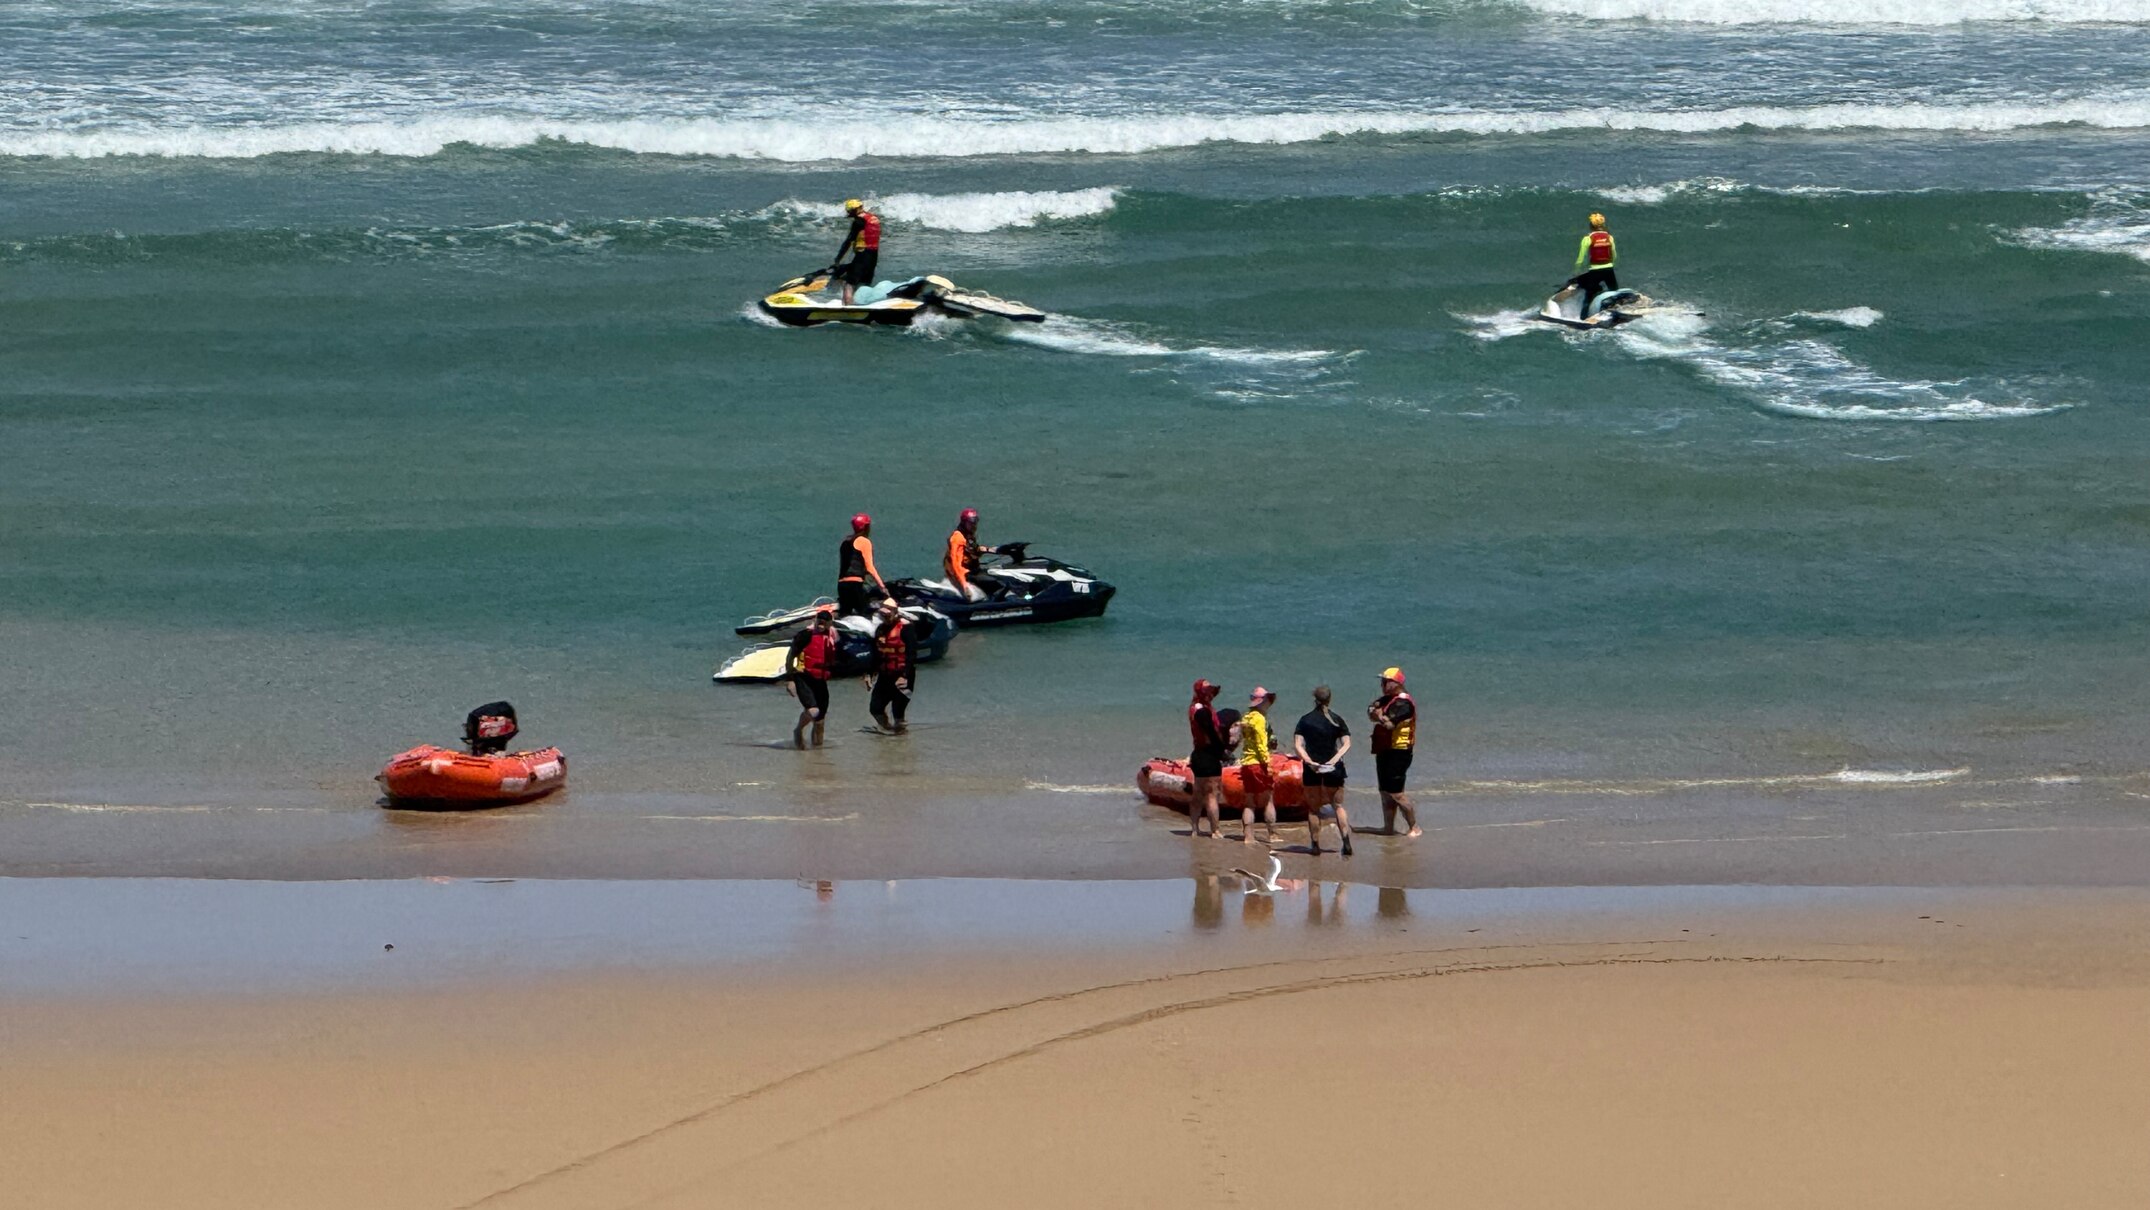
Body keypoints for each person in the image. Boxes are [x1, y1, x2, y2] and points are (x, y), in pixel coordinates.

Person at [1292, 685, 1355, 856]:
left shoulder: (1305, 720)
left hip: (1313, 767)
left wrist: (1309, 761)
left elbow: (1298, 745)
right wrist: (1334, 760)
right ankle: (1346, 843)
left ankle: (1315, 845)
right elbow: (1347, 744)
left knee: (1313, 809)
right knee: (1338, 806)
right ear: (1329, 699)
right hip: (1333, 768)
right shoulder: (1337, 719)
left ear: (1315, 699)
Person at [1368, 666, 1421, 837]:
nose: (1382, 685)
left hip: (1400, 751)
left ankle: (1414, 826)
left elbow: (1390, 724)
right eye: (1382, 682)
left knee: (1397, 793)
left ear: (1395, 683)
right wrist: (1375, 713)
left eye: (1385, 682)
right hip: (1384, 749)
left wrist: (1379, 716)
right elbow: (1371, 710)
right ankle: (1388, 827)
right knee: (1384, 792)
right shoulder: (1387, 699)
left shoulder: (1404, 704)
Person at [786, 609, 840, 749]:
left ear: (829, 623)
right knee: (813, 711)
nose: (821, 624)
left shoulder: (833, 635)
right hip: (803, 677)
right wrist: (790, 680)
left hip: (820, 679)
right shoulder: (806, 635)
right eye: (819, 621)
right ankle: (798, 730)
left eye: (824, 622)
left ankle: (818, 754)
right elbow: (791, 656)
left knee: (820, 720)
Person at [1235, 687, 1281, 846]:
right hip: (1258, 763)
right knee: (1268, 800)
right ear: (1262, 702)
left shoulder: (1246, 717)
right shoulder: (1260, 719)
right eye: (1267, 700)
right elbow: (1261, 744)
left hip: (1246, 763)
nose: (1269, 703)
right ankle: (1272, 835)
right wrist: (1267, 763)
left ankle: (1248, 836)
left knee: (1249, 802)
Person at [1187, 679, 1228, 841]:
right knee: (1212, 794)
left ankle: (1195, 829)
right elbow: (1211, 732)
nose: (1210, 695)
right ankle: (1215, 830)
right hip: (1208, 754)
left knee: (1198, 793)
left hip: (1198, 754)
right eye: (1208, 692)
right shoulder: (1202, 711)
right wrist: (1222, 751)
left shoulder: (1194, 709)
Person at [868, 599, 913, 734]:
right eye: (883, 615)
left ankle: (901, 740)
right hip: (885, 675)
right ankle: (888, 732)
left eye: (888, 614)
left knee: (898, 710)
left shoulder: (906, 629)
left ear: (895, 612)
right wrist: (869, 674)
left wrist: (904, 676)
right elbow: (875, 654)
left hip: (903, 675)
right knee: (875, 708)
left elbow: (911, 655)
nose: (885, 617)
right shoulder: (880, 630)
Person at [943, 508, 1005, 602]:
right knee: (999, 585)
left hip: (973, 570)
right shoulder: (957, 539)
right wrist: (964, 585)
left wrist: (992, 550)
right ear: (964, 522)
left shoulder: (968, 535)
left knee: (1000, 577)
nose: (974, 525)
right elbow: (956, 565)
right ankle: (994, 606)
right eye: (971, 523)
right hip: (965, 573)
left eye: (975, 522)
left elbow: (974, 550)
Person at [837, 513, 891, 616]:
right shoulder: (864, 542)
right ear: (866, 527)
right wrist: (882, 586)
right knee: (865, 613)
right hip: (855, 584)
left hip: (842, 585)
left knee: (844, 614)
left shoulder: (845, 542)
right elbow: (870, 567)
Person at [833, 198, 882, 306]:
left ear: (852, 210)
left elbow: (848, 241)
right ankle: (863, 306)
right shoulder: (873, 218)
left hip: (862, 255)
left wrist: (838, 259)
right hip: (873, 255)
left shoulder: (859, 222)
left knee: (849, 284)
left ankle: (848, 308)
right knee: (865, 283)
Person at [1569, 212, 1619, 311]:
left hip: (1595, 271)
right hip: (1609, 270)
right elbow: (1614, 254)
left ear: (1591, 225)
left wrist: (1576, 271)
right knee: (1615, 292)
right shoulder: (1609, 237)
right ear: (1603, 225)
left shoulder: (1587, 238)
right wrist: (1611, 264)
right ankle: (1615, 310)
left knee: (1588, 296)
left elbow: (1580, 258)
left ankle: (1583, 318)